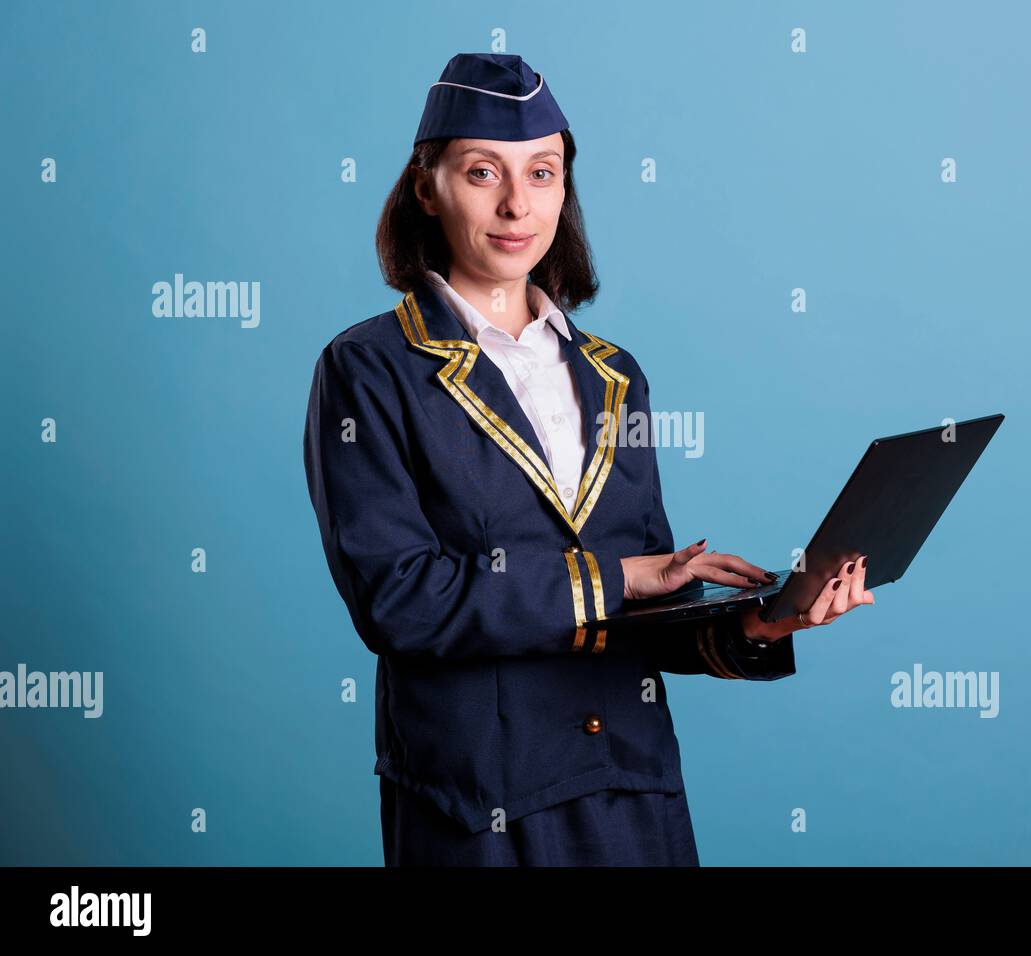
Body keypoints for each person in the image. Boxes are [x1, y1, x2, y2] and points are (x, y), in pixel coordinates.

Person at [302, 52, 874, 866]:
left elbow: (640, 616)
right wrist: (617, 578)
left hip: (632, 796)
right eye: (481, 173)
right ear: (427, 187)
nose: (515, 204)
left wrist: (771, 616)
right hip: (479, 810)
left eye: (542, 172)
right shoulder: (368, 370)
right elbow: (399, 602)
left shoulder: (615, 374)